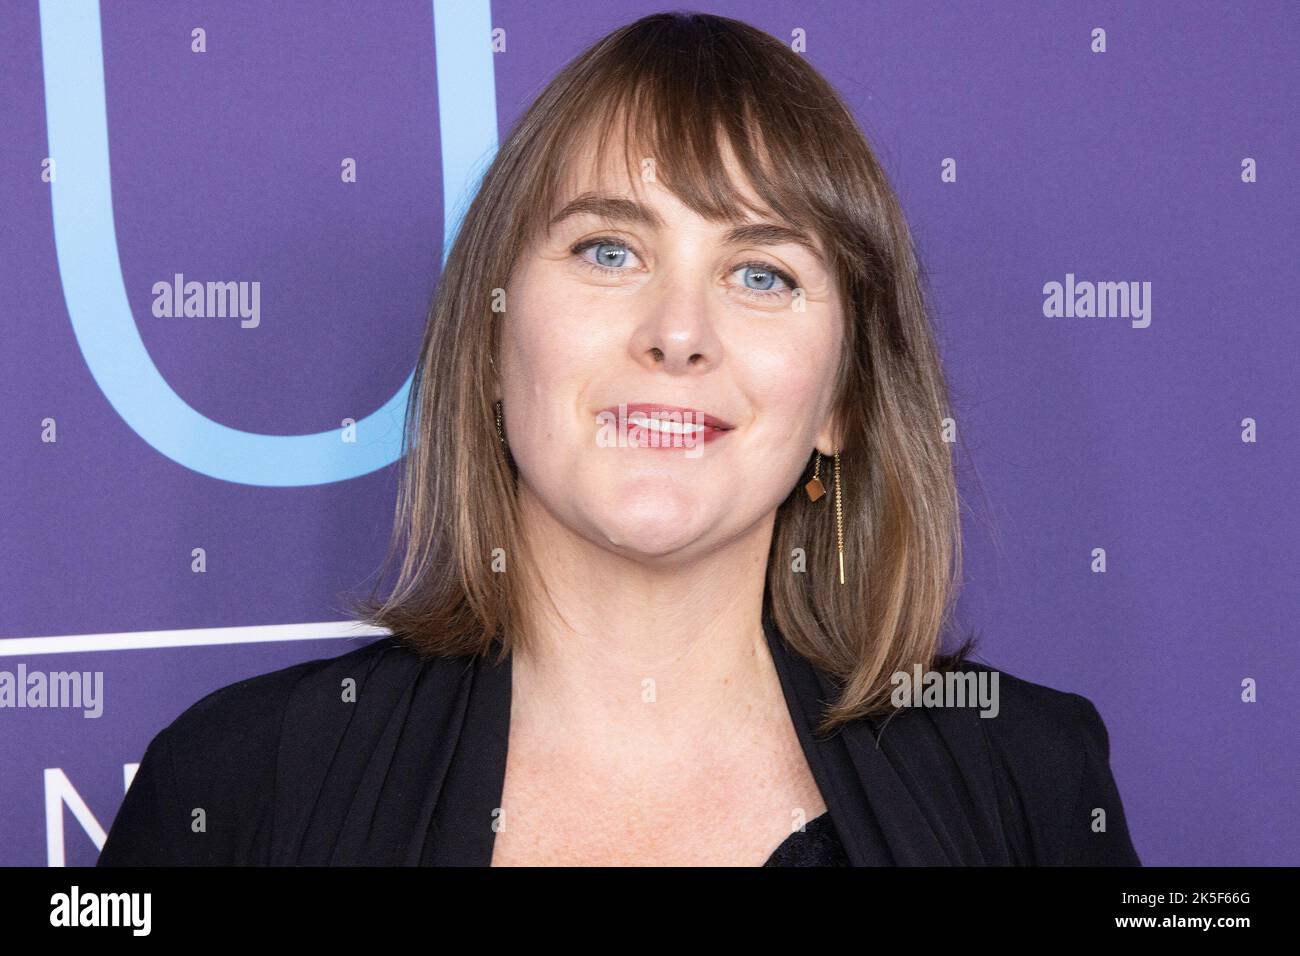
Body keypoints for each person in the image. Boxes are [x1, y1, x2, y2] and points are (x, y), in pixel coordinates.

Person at [98, 11, 1140, 867]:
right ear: (490, 338)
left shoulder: (1027, 783)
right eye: (608, 250)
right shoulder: (235, 789)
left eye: (762, 272)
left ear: (842, 401)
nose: (678, 334)